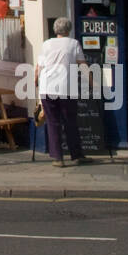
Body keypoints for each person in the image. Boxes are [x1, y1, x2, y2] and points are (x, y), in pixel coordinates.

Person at [34, 17, 90, 167]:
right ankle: (76, 155)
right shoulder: (73, 44)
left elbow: (38, 67)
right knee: (70, 122)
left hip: (47, 88)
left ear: (55, 30)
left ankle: (58, 158)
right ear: (68, 29)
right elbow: (82, 65)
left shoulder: (46, 44)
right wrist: (93, 82)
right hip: (66, 88)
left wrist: (36, 81)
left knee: (53, 123)